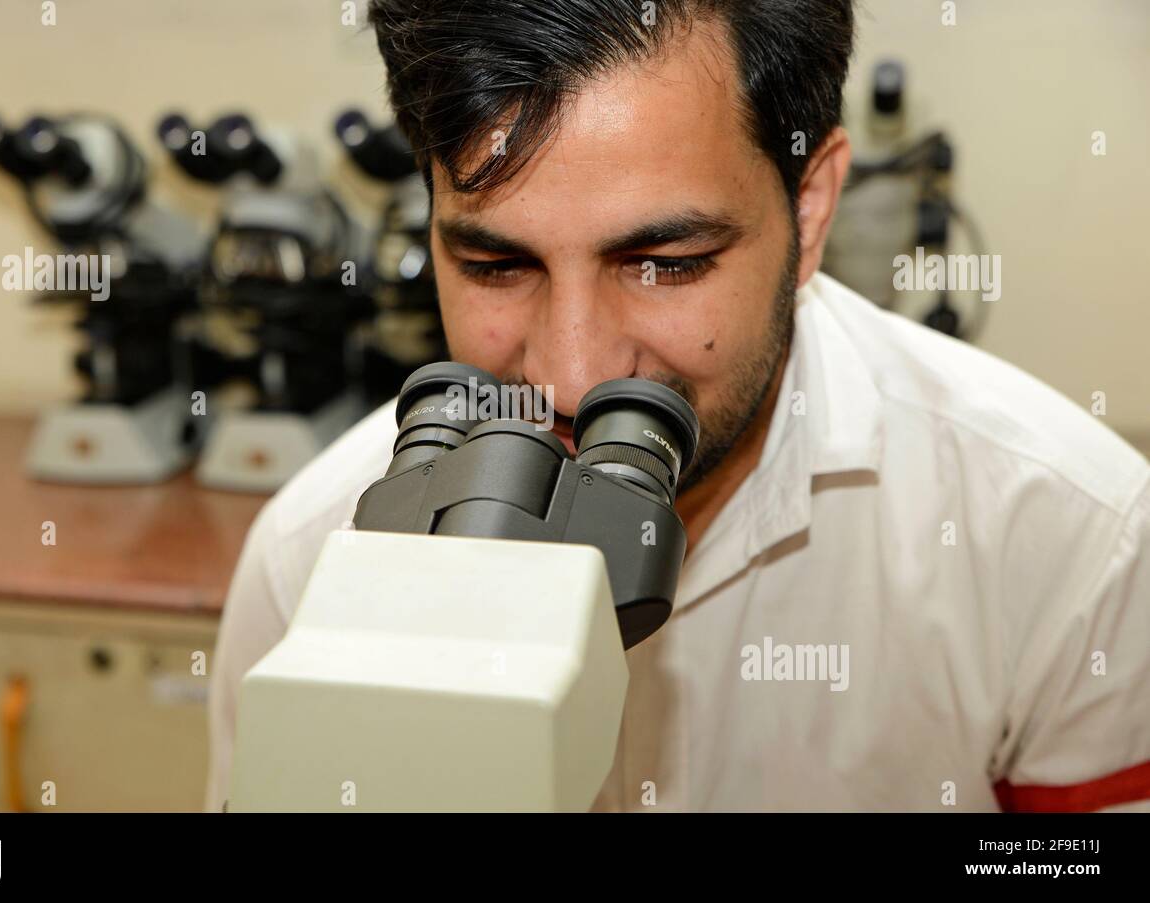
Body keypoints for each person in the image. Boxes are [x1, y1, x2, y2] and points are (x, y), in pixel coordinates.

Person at [206, 0, 1150, 811]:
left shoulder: (1069, 544)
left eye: (666, 263)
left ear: (812, 207)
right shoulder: (314, 560)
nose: (571, 374)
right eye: (496, 265)